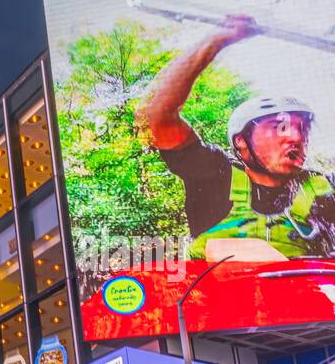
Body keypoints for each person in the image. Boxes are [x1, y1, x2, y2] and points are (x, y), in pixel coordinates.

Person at [137, 15, 335, 263]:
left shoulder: (324, 189)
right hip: (218, 299)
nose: (295, 137)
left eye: (302, 129)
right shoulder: (214, 175)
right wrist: (217, 40)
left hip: (305, 298)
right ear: (242, 141)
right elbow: (157, 117)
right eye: (278, 127)